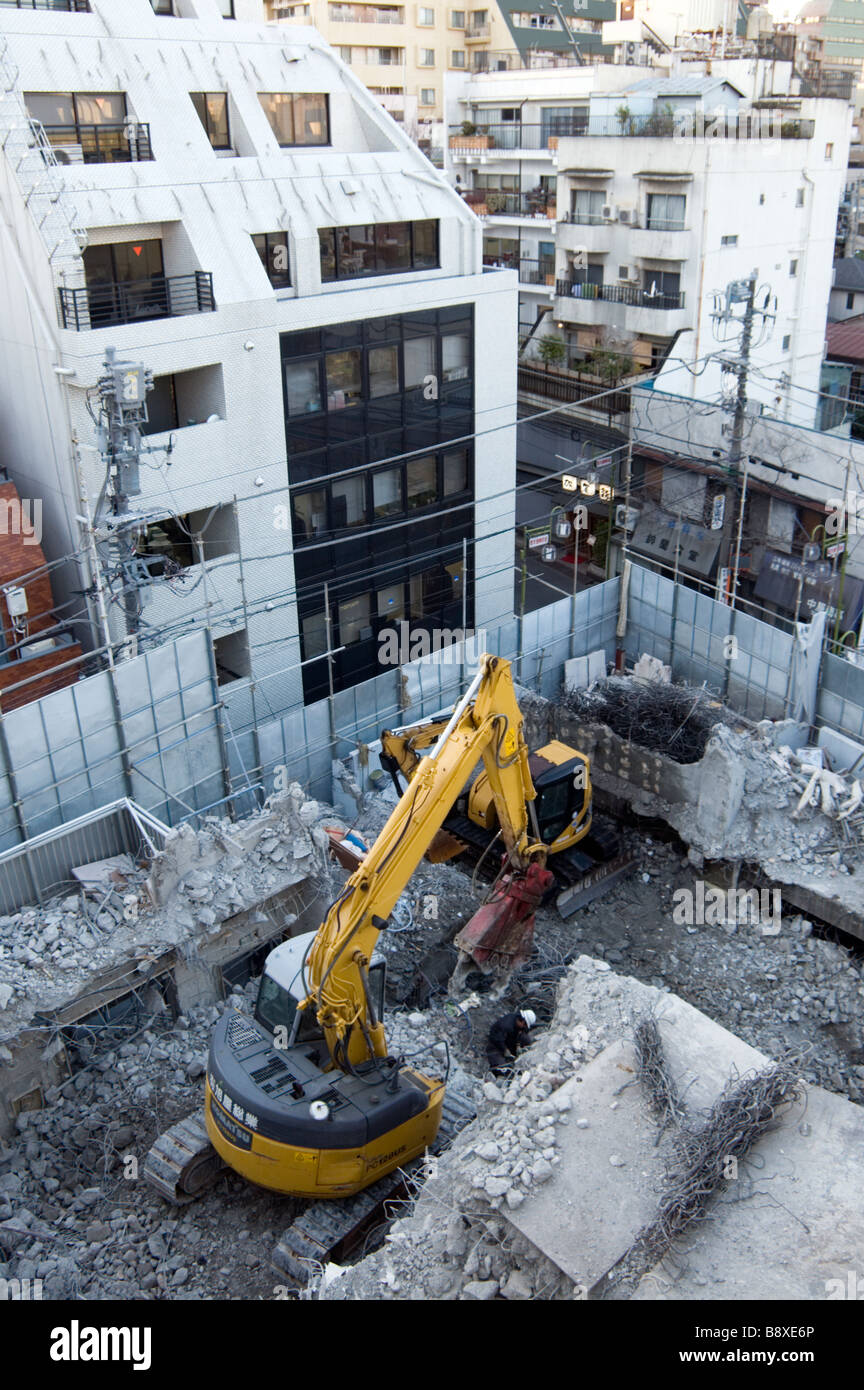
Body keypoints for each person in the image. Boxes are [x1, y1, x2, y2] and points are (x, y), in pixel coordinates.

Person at [486, 1009, 536, 1076]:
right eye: (525, 1025)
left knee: (526, 1039)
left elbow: (523, 1031)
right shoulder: (505, 1026)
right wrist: (505, 1050)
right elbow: (497, 1040)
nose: (525, 1027)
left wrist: (518, 1044)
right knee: (504, 1069)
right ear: (522, 1021)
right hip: (495, 1045)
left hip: (509, 1039)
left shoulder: (518, 1022)